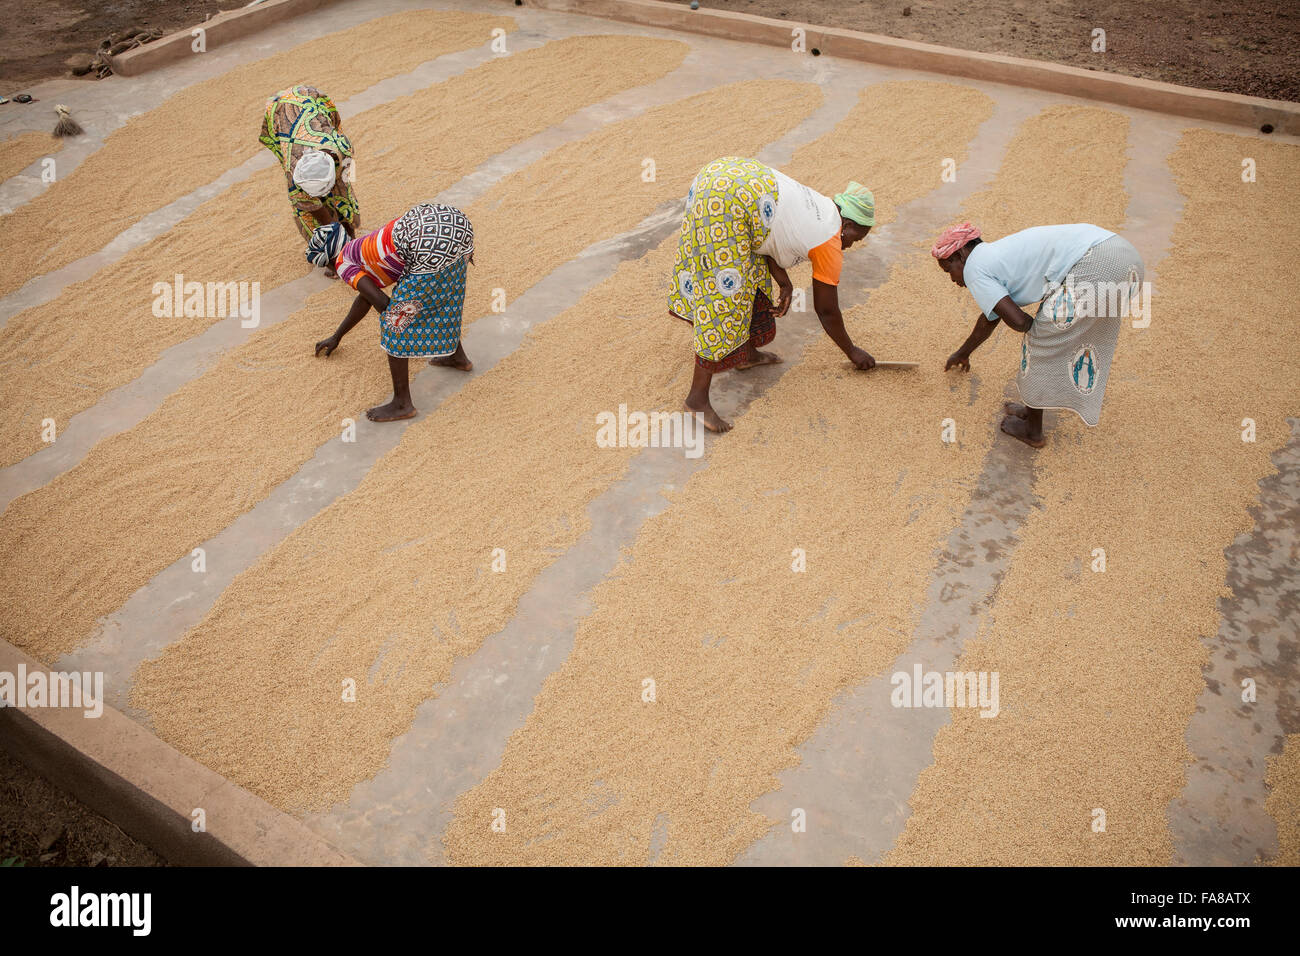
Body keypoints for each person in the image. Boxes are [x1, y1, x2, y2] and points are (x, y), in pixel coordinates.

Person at [668, 156, 877, 432]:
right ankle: (697, 400)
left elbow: (768, 231)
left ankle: (744, 354)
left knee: (752, 272)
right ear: (848, 225)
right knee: (724, 296)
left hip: (721, 176)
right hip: (725, 203)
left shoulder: (823, 206)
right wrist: (852, 351)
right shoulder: (830, 240)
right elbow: (826, 310)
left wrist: (784, 282)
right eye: (855, 238)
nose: (850, 246)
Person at [933, 221, 1145, 448]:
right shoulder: (993, 257)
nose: (954, 280)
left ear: (962, 254)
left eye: (949, 270)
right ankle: (1034, 406)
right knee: (1048, 331)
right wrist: (964, 353)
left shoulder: (974, 269)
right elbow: (990, 318)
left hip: (1097, 265)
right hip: (1124, 258)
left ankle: (1033, 431)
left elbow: (1018, 321)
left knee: (1039, 339)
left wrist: (1041, 334)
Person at [312, 203, 475, 422]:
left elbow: (380, 302)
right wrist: (337, 335)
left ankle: (401, 404)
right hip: (454, 226)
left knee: (394, 324)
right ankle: (456, 357)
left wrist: (401, 318)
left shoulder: (342, 264)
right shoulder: (361, 246)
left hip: (430, 244)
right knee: (444, 299)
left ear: (329, 261)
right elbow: (366, 298)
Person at [259, 85, 359, 264]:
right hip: (278, 109)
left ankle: (348, 240)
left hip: (308, 97)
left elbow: (346, 190)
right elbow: (315, 214)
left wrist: (349, 234)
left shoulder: (343, 150)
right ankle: (332, 251)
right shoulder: (294, 173)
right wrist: (335, 254)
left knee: (343, 194)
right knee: (309, 210)